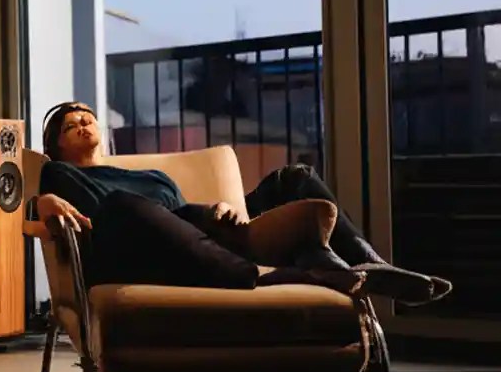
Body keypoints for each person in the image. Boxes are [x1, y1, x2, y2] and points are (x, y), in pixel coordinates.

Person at [28, 101, 452, 305]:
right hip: (154, 251)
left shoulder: (148, 176)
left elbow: (181, 209)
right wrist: (41, 202)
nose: (82, 123)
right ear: (56, 145)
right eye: (70, 124)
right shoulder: (61, 175)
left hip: (206, 232)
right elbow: (25, 214)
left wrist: (219, 209)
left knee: (295, 178)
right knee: (125, 205)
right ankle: (291, 269)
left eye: (87, 117)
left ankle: (364, 261)